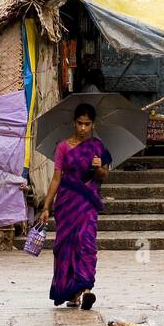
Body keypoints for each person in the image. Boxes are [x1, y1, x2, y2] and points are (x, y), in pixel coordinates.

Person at [38, 105, 112, 310]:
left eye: (87, 124)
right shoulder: (63, 147)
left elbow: (104, 175)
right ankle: (72, 293)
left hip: (87, 202)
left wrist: (99, 167)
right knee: (66, 247)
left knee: (86, 241)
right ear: (74, 123)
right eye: (80, 123)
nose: (83, 128)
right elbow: (56, 179)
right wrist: (46, 206)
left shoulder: (97, 147)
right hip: (66, 203)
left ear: (93, 125)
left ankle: (86, 288)